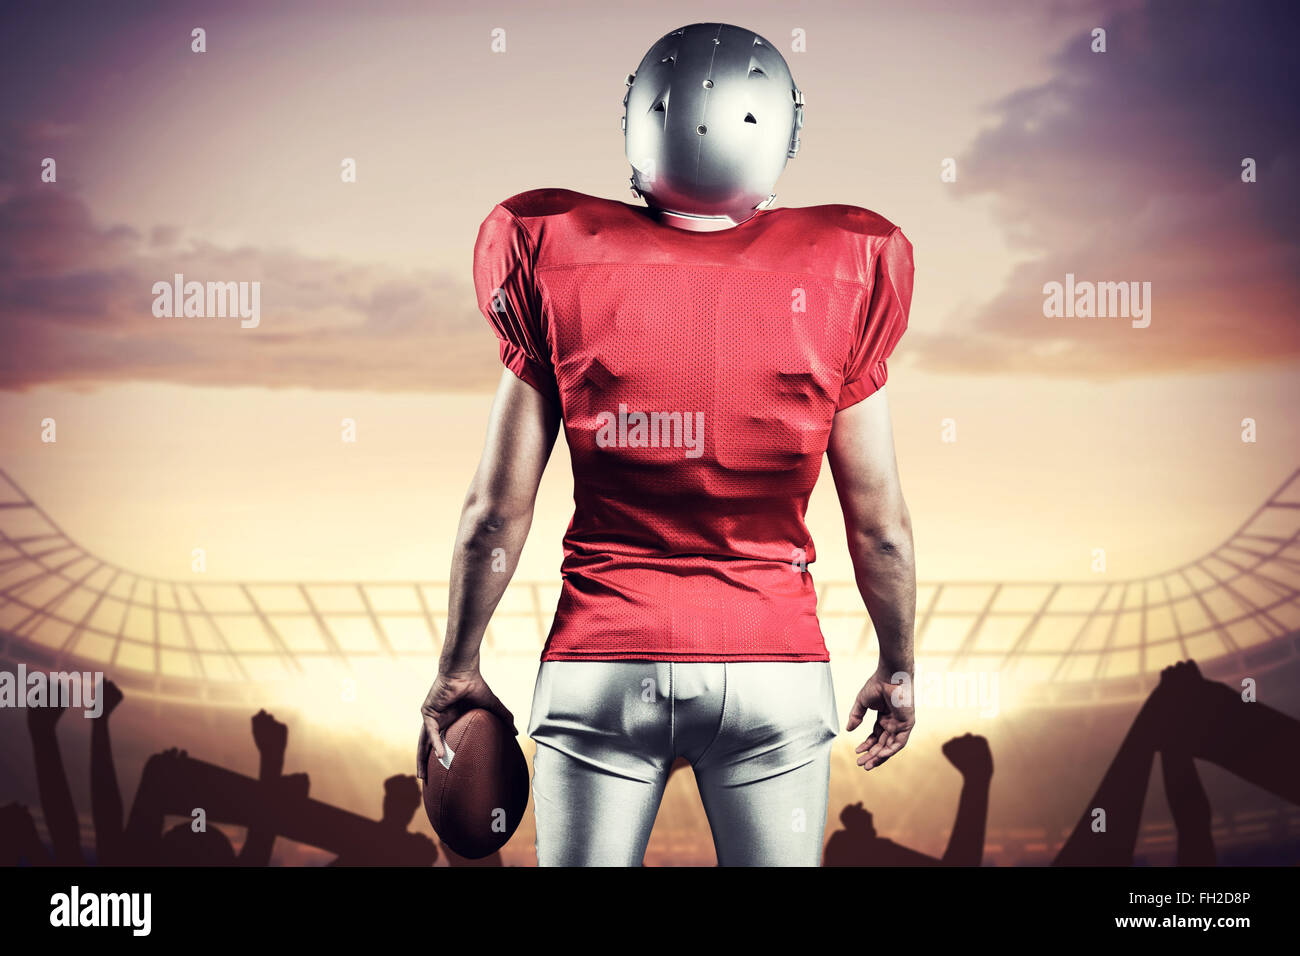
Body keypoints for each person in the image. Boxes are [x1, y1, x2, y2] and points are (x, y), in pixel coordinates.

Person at [418, 21, 918, 866]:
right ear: (782, 130)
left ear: (640, 125)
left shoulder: (551, 255)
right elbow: (881, 529)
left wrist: (458, 664)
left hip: (602, 659)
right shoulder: (847, 270)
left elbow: (491, 515)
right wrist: (898, 665)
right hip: (775, 663)